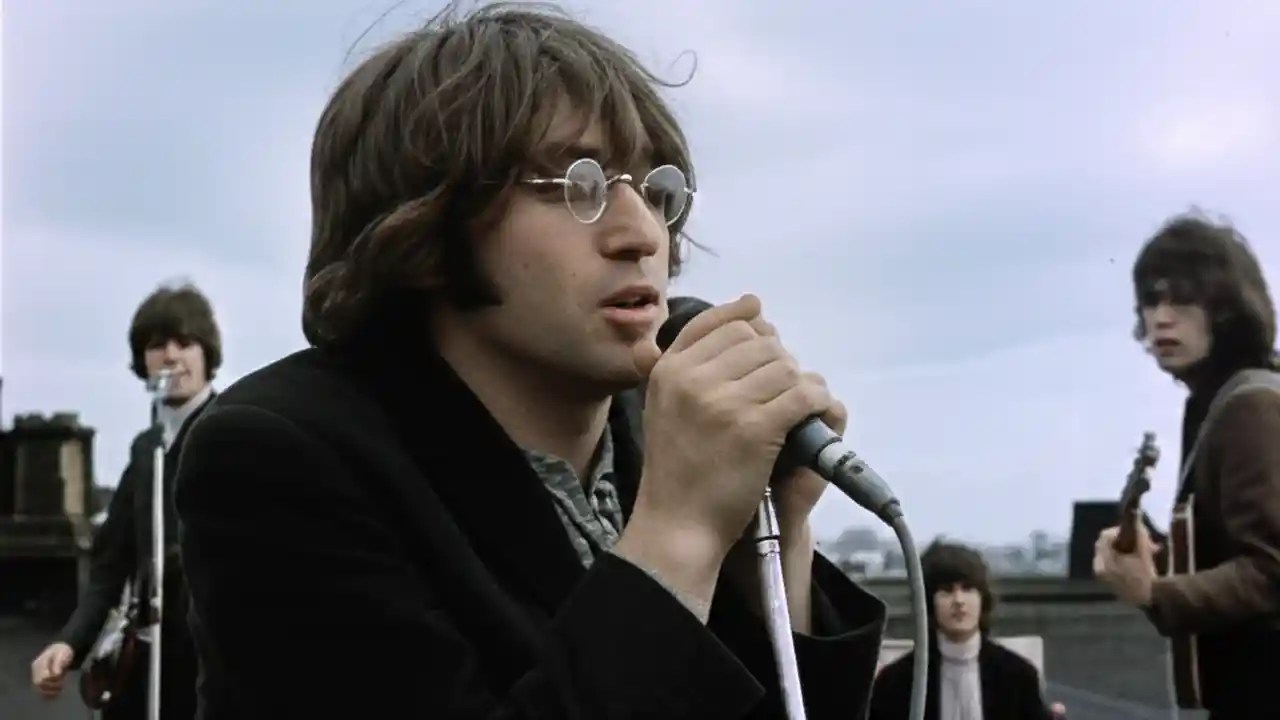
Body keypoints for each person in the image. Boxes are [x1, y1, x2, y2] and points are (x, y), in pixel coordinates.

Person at [172, 3, 888, 719]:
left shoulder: (659, 439)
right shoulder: (280, 457)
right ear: (425, 222)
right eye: (579, 185)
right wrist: (680, 531)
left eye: (654, 189)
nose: (641, 232)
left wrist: (772, 539)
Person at [1092, 212, 1280, 719]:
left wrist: (1156, 590)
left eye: (1181, 299)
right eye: (1151, 301)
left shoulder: (1251, 404)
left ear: (1225, 308)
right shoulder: (1219, 401)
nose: (1161, 318)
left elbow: (1269, 570)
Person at [30, 281, 222, 720]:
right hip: (147, 663)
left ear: (207, 354)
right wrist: (69, 642)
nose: (171, 356)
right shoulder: (145, 449)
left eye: (185, 342)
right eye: (157, 346)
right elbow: (109, 566)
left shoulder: (232, 428)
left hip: (211, 667)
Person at [869, 541, 1062, 720]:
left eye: (968, 589)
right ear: (928, 602)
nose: (959, 600)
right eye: (946, 590)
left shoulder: (1019, 676)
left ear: (982, 598)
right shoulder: (897, 682)